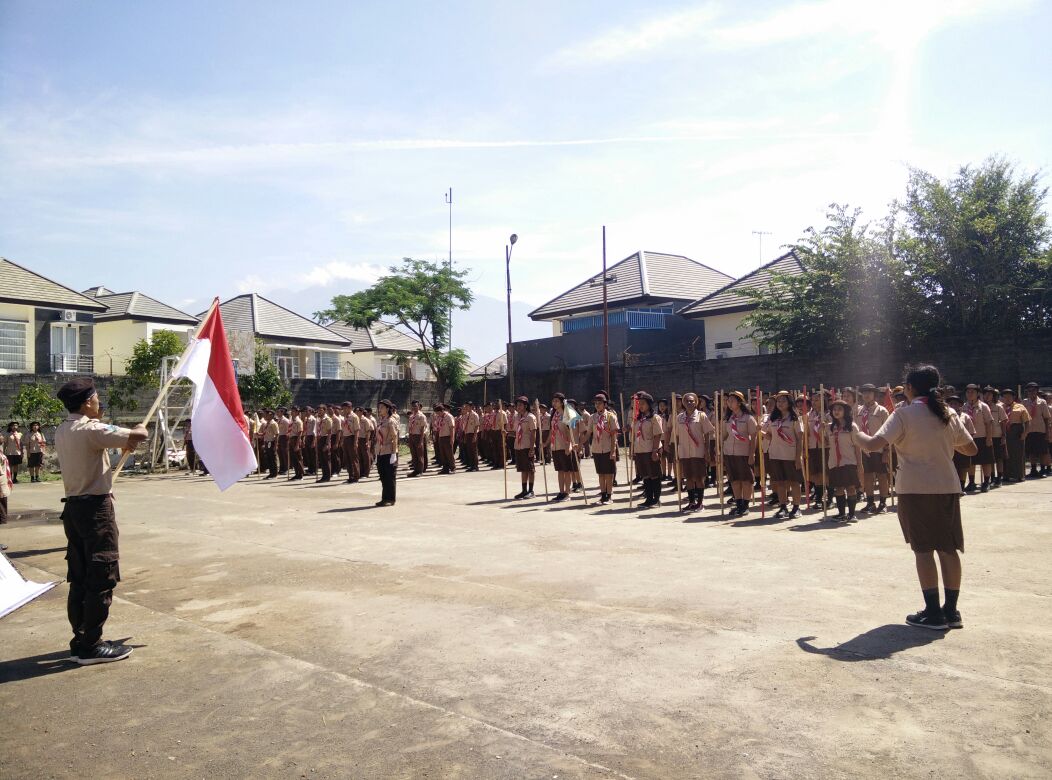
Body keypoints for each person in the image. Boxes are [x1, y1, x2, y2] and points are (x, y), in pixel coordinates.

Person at [853, 365, 976, 631]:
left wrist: (855, 432)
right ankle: (951, 611)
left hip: (915, 487)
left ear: (909, 388)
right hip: (946, 485)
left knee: (923, 549)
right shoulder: (949, 413)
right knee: (948, 548)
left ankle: (933, 612)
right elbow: (970, 447)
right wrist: (940, 445)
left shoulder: (904, 414)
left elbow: (873, 444)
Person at [54, 378, 148, 663]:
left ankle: (80, 637)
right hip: (95, 511)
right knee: (101, 575)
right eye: (96, 398)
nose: (99, 402)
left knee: (80, 577)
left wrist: (124, 441)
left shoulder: (63, 429)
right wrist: (138, 430)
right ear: (86, 403)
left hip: (73, 508)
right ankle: (91, 645)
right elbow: (139, 434)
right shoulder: (91, 429)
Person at [762, 391, 803, 519]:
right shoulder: (773, 418)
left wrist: (798, 457)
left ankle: (796, 507)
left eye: (783, 401)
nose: (780, 404)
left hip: (790, 455)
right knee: (780, 483)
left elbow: (800, 439)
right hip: (775, 454)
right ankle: (783, 506)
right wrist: (761, 432)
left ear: (789, 403)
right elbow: (769, 435)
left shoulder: (795, 418)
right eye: (778, 401)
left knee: (794, 482)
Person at [824, 399, 862, 522]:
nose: (836, 412)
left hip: (848, 461)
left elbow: (857, 447)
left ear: (845, 411)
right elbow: (825, 443)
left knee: (850, 488)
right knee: (838, 488)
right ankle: (841, 513)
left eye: (839, 409)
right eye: (834, 409)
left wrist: (860, 464)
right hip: (834, 462)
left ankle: (851, 514)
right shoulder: (829, 428)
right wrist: (820, 431)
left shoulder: (852, 427)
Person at [676, 392, 715, 512]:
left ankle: (700, 503)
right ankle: (691, 501)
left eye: (692, 401)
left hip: (698, 451)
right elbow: (677, 435)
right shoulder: (679, 417)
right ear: (683, 403)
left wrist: (707, 450)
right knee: (688, 477)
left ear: (696, 402)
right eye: (687, 401)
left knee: (699, 477)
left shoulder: (701, 416)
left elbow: (708, 433)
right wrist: (677, 450)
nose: (689, 403)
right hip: (684, 451)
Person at [721, 391, 757, 517]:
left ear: (740, 402)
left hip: (744, 453)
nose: (729, 403)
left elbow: (754, 437)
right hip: (730, 452)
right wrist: (719, 448)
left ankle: (746, 504)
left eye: (732, 400)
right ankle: (739, 503)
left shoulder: (748, 418)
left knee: (746, 480)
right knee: (735, 480)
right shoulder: (728, 418)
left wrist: (752, 454)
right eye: (728, 401)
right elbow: (725, 435)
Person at [857, 383, 891, 513]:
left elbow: (888, 432)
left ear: (874, 395)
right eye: (864, 392)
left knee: (882, 476)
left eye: (869, 392)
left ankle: (883, 503)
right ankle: (870, 502)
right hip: (863, 449)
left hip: (879, 449)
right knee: (867, 477)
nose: (866, 395)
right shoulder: (858, 411)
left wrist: (886, 451)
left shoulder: (882, 411)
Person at [631, 392, 664, 509]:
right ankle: (648, 498)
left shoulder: (655, 418)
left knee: (654, 475)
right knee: (645, 475)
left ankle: (656, 499)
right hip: (640, 450)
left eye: (643, 404)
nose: (640, 406)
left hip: (651, 449)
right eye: (639, 404)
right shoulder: (638, 419)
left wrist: (655, 450)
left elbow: (658, 434)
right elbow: (635, 435)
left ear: (649, 404)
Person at [590, 391, 620, 505]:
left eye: (599, 403)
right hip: (597, 449)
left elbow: (614, 435)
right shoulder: (593, 417)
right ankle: (603, 495)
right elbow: (588, 433)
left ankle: (609, 495)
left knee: (609, 473)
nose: (597, 405)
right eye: (595, 403)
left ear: (605, 404)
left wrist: (613, 451)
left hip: (608, 448)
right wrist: (579, 443)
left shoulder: (611, 416)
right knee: (601, 473)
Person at [963, 384, 994, 492]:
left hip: (982, 436)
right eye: (968, 392)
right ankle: (971, 482)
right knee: (971, 461)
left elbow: (989, 423)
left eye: (972, 392)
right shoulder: (964, 407)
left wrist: (989, 438)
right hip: (969, 438)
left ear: (977, 394)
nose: (970, 394)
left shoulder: (983, 406)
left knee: (985, 461)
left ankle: (986, 482)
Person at [549, 393, 579, 502]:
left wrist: (569, 445)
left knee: (567, 471)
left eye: (556, 401)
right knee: (560, 470)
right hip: (556, 446)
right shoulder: (554, 414)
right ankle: (561, 492)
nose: (554, 403)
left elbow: (570, 431)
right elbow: (552, 430)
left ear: (562, 402)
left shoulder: (566, 414)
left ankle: (567, 492)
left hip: (565, 445)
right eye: (553, 401)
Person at [946, 396, 976, 491]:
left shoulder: (965, 416)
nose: (953, 405)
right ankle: (953, 487)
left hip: (962, 445)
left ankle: (962, 487)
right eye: (951, 403)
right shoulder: (946, 416)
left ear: (960, 405)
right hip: (950, 446)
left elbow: (971, 432)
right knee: (952, 467)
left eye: (955, 403)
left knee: (963, 467)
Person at [1000, 389, 1029, 483]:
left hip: (1017, 431)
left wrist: (1025, 433)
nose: (1007, 399)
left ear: (1013, 397)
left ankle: (1020, 475)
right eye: (1005, 397)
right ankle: (1006, 475)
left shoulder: (1020, 406)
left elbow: (1027, 421)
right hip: (1004, 431)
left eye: (1009, 396)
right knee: (1005, 453)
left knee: (1018, 454)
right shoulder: (1000, 407)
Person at [1022, 382, 1051, 478]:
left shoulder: (1042, 402)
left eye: (1033, 390)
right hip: (1029, 430)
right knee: (1031, 451)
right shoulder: (1024, 402)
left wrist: (1047, 432)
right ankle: (1033, 469)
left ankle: (1043, 469)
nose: (1031, 392)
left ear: (1037, 391)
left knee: (1043, 451)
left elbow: (1046, 418)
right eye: (1029, 391)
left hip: (1040, 429)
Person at [373, 399, 399, 506]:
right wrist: (376, 453)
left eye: (382, 408)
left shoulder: (391, 421)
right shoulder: (381, 420)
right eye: (379, 407)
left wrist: (393, 454)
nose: (380, 409)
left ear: (388, 409)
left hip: (389, 451)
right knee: (382, 475)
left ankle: (390, 498)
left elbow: (394, 438)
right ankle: (385, 498)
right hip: (380, 451)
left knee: (389, 476)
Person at [511, 396, 537, 499]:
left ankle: (531, 491)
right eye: (517, 405)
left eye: (520, 405)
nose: (518, 407)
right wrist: (507, 433)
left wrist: (532, 448)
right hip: (518, 446)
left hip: (527, 445)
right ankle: (524, 490)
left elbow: (533, 433)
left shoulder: (530, 417)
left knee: (530, 469)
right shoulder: (517, 417)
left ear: (526, 406)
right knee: (522, 469)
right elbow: (516, 431)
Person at [982, 387, 1007, 486]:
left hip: (997, 435)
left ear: (993, 396)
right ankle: (992, 477)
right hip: (986, 436)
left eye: (990, 394)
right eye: (986, 394)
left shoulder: (998, 407)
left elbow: (1004, 421)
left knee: (999, 458)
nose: (987, 396)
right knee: (990, 458)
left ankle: (999, 478)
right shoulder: (981, 407)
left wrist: (1004, 435)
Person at [407, 400, 427, 476]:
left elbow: (422, 429)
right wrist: (409, 438)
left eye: (415, 406)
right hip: (412, 436)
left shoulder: (422, 416)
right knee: (414, 454)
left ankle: (420, 471)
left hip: (418, 436)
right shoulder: (411, 416)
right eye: (413, 406)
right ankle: (415, 470)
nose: (414, 407)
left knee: (420, 455)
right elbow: (409, 428)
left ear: (418, 406)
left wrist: (421, 440)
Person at [462, 401, 481, 471]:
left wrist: (475, 436)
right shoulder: (466, 415)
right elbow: (465, 426)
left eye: (467, 406)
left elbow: (477, 426)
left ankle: (475, 466)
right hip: (467, 434)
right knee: (469, 451)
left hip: (473, 434)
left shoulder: (475, 415)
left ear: (471, 406)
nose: (466, 408)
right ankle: (471, 465)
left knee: (474, 451)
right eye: (465, 406)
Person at [316, 405, 333, 482]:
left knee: (326, 459)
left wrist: (327, 443)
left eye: (321, 410)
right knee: (322, 460)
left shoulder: (327, 419)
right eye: (318, 410)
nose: (319, 412)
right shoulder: (319, 419)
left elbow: (329, 432)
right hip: (320, 438)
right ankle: (324, 476)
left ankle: (327, 476)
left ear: (325, 411)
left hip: (325, 438)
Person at [262, 410, 279, 479]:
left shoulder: (273, 423)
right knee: (269, 458)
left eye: (267, 414)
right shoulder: (267, 423)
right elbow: (266, 434)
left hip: (271, 442)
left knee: (272, 458)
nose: (265, 416)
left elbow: (277, 434)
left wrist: (275, 445)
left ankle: (274, 474)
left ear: (271, 415)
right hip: (267, 442)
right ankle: (271, 473)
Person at [289, 407, 305, 480]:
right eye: (291, 411)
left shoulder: (298, 421)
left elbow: (300, 433)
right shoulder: (291, 420)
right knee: (293, 458)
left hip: (296, 439)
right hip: (291, 438)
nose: (291, 412)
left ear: (297, 412)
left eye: (293, 411)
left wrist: (297, 444)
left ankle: (300, 474)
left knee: (298, 458)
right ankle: (296, 473)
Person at [276, 407, 290, 476]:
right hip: (280, 437)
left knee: (285, 454)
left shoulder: (285, 420)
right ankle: (281, 468)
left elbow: (288, 430)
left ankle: (286, 468)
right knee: (280, 454)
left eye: (278, 412)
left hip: (284, 437)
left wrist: (287, 439)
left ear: (282, 412)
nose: (277, 413)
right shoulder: (278, 420)